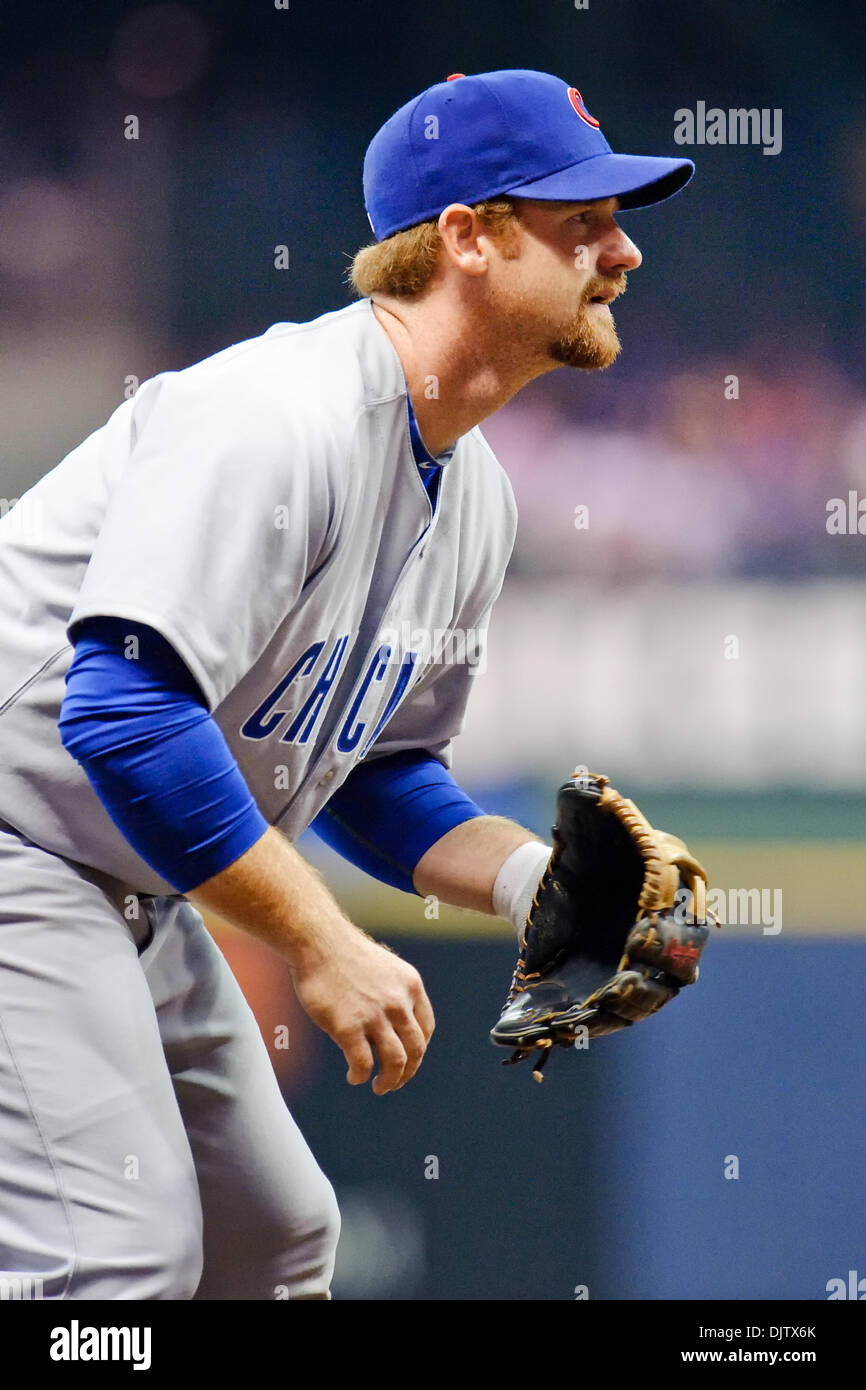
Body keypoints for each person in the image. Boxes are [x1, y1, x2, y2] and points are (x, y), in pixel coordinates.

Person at [0, 69, 693, 1299]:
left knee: (274, 1239)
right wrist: (320, 938)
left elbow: (370, 773)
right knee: (114, 1263)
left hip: (117, 877)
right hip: (21, 844)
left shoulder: (472, 493)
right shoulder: (274, 414)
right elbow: (122, 712)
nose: (621, 251)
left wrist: (548, 882)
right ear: (466, 239)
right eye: (580, 222)